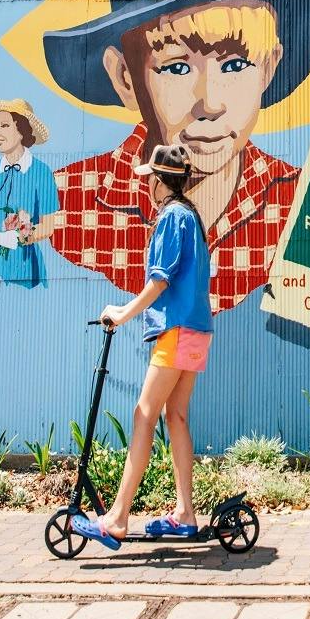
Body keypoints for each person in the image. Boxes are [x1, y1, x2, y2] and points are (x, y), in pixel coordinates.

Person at [42, 0, 310, 315]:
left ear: (269, 66)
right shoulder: (66, 204)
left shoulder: (304, 210)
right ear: (126, 78)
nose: (212, 103)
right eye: (177, 68)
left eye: (236, 65)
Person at [71, 143, 213, 550]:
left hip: (176, 330)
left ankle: (117, 518)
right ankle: (186, 514)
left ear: (158, 181)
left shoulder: (171, 217)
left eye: (148, 179)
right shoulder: (192, 218)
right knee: (177, 419)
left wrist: (122, 312)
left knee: (143, 415)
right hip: (198, 330)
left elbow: (160, 280)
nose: (145, 186)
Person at [0, 98, 60, 289]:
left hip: (25, 265)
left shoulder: (41, 172)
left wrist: (22, 236)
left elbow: (48, 226)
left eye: (4, 125)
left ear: (21, 131)